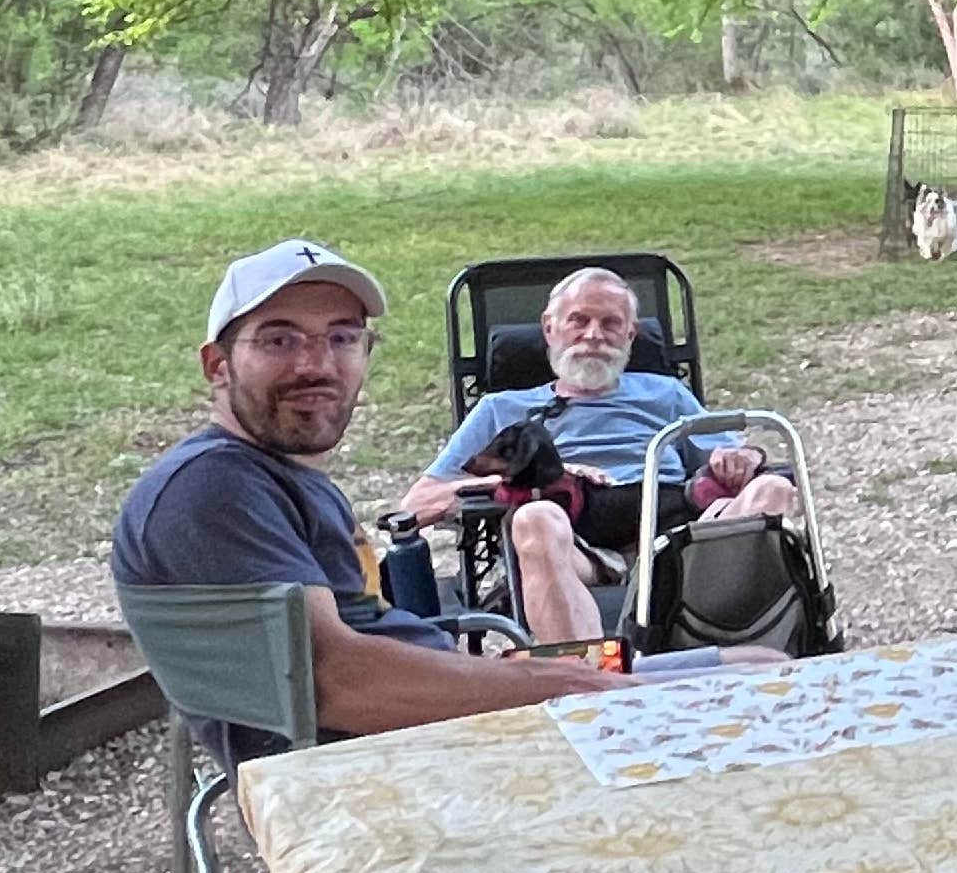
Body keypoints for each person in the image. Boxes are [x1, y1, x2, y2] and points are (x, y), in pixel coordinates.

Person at [112, 239, 626, 755]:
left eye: (342, 337)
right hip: (374, 775)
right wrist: (568, 685)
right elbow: (336, 684)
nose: (316, 364)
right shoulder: (210, 490)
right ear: (217, 365)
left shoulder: (279, 477)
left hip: (427, 737)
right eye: (278, 341)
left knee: (691, 681)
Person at [402, 263, 798, 643]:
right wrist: (514, 479)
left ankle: (712, 645)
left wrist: (741, 461)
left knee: (773, 492)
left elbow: (732, 461)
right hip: (578, 548)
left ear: (630, 336)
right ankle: (590, 682)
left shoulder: (667, 394)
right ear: (549, 328)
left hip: (677, 542)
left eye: (611, 324)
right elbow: (416, 505)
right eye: (578, 320)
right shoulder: (502, 409)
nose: (593, 335)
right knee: (537, 516)